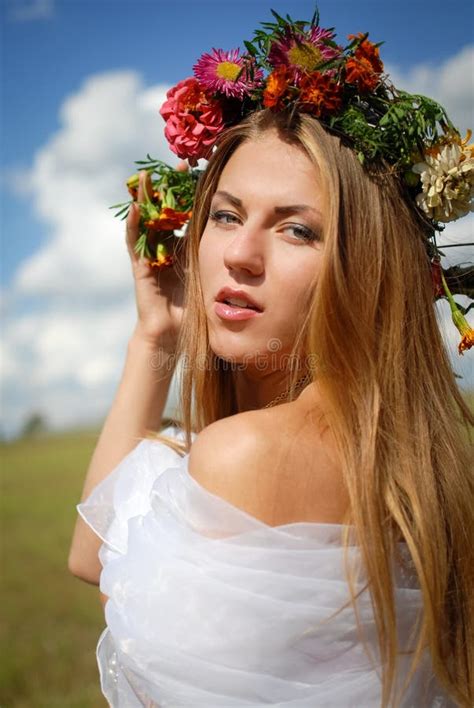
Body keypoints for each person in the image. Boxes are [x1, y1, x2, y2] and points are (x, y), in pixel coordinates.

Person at [68, 10, 473, 708]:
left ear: (368, 265)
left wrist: (152, 343)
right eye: (225, 215)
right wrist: (158, 331)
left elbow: (95, 556)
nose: (239, 256)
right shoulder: (424, 464)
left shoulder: (247, 456)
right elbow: (95, 549)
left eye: (296, 229)